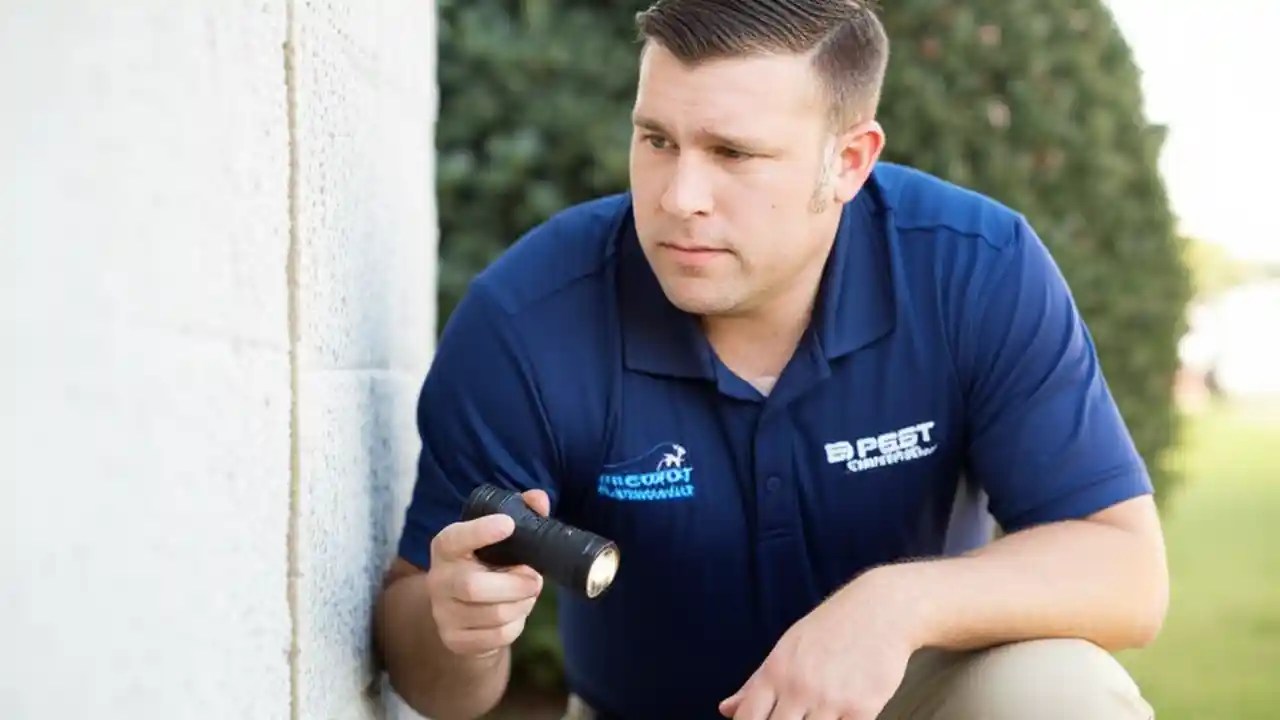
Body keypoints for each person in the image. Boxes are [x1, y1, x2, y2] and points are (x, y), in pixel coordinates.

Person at [373, 1, 1169, 718]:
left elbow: (1125, 570)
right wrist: (462, 632)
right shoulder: (526, 317)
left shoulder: (975, 268)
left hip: (900, 699)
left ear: (850, 162)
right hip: (643, 712)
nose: (680, 195)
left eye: (734, 153)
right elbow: (434, 682)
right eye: (657, 140)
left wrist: (896, 604)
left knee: (1063, 692)